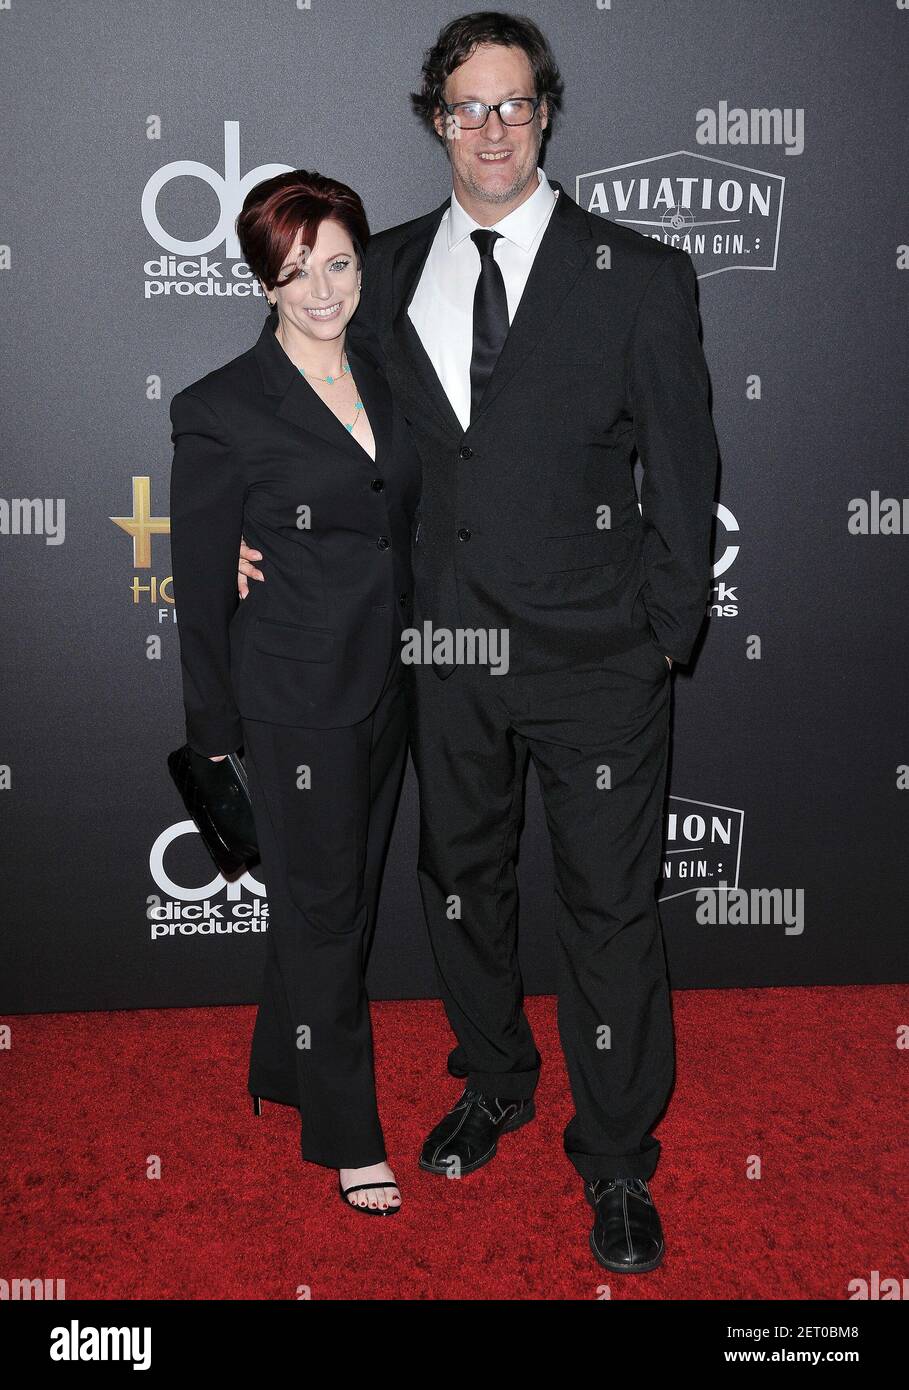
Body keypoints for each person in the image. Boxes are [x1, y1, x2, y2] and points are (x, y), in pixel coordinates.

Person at [240, 12, 718, 1271]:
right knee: (464, 887)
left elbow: (684, 463)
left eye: (514, 105)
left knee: (610, 911)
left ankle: (616, 1156)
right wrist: (242, 527)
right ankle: (495, 1074)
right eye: (468, 108)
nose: (493, 129)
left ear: (547, 113)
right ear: (434, 120)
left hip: (600, 659)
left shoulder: (642, 274)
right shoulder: (382, 268)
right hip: (443, 658)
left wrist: (666, 633)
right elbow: (288, 399)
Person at [169, 170, 421, 1214]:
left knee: (345, 901)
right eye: (293, 270)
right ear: (262, 281)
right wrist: (215, 738)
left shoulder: (392, 367)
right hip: (293, 702)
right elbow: (197, 583)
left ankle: (283, 1061)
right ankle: (348, 1135)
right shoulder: (222, 408)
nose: (321, 289)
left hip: (393, 685)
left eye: (338, 262)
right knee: (323, 914)